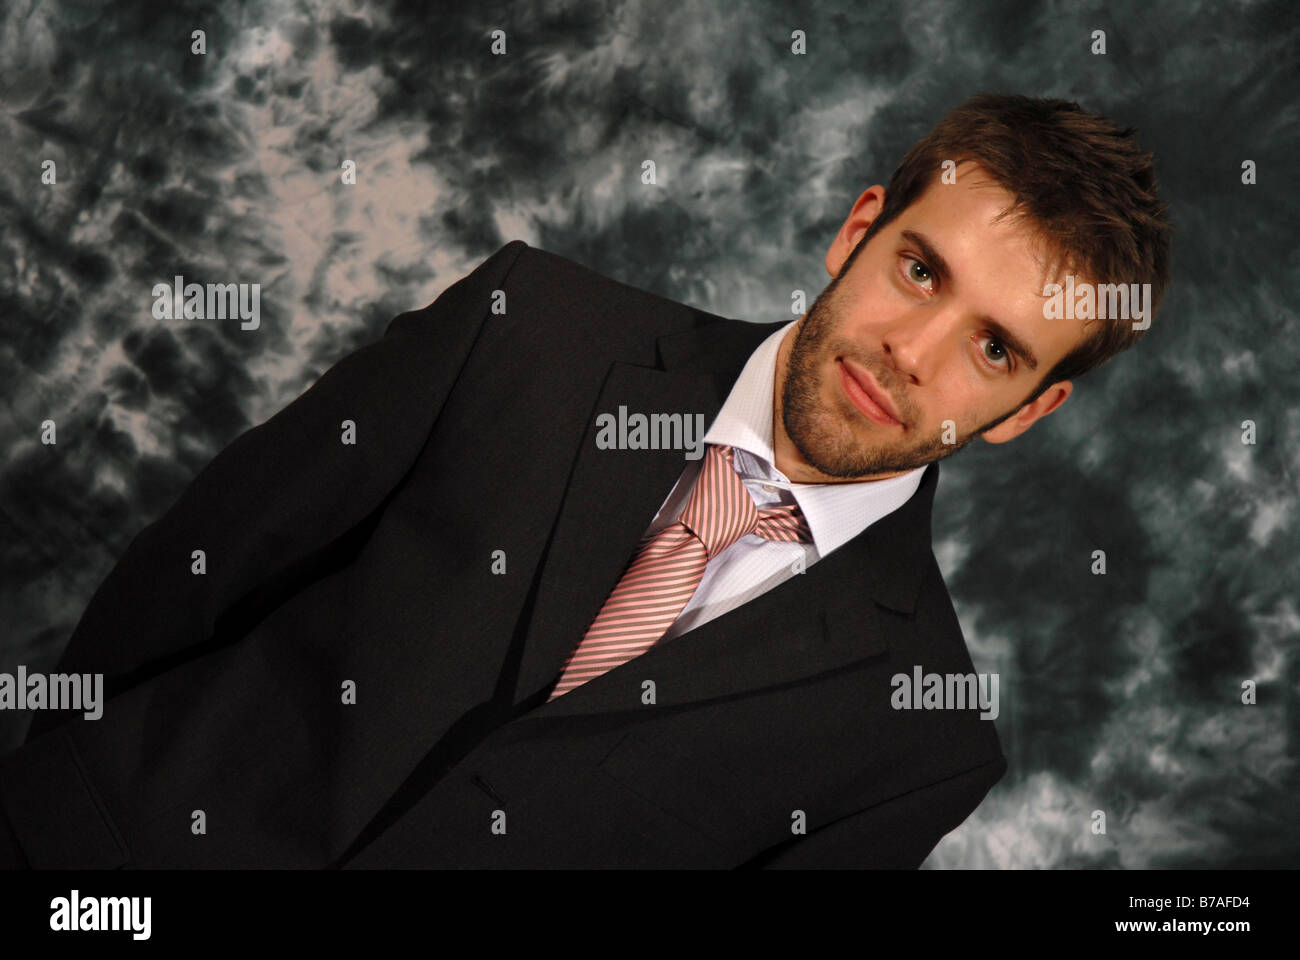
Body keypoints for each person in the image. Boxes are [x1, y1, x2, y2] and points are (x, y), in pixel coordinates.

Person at [0, 93, 1170, 869]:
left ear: (1028, 410)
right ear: (859, 227)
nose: (914, 353)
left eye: (995, 347)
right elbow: (206, 564)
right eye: (920, 269)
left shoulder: (919, 744)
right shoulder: (531, 326)